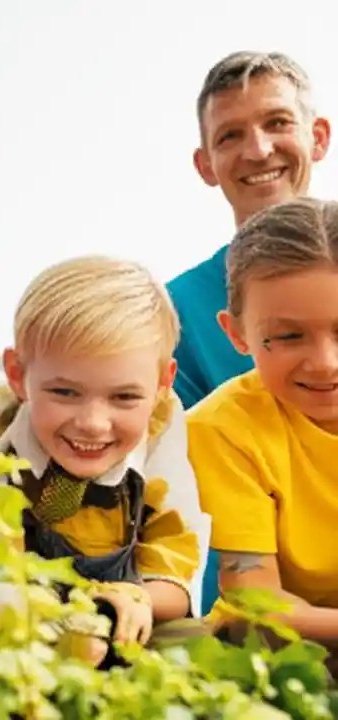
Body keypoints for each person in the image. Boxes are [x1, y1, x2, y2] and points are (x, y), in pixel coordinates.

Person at [0, 257, 202, 663]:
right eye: (65, 393)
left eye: (124, 397)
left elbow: (178, 568)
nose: (92, 424)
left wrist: (136, 597)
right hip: (17, 632)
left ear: (162, 384)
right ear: (17, 374)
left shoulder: (162, 425)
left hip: (124, 628)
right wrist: (44, 628)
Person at [169, 50, 330, 615]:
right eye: (231, 135)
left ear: (318, 137)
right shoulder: (175, 310)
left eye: (277, 123)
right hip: (264, 621)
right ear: (205, 163)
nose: (259, 150)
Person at [187, 198, 338, 653]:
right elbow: (258, 600)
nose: (325, 363)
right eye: (289, 336)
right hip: (275, 649)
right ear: (236, 333)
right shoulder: (224, 428)